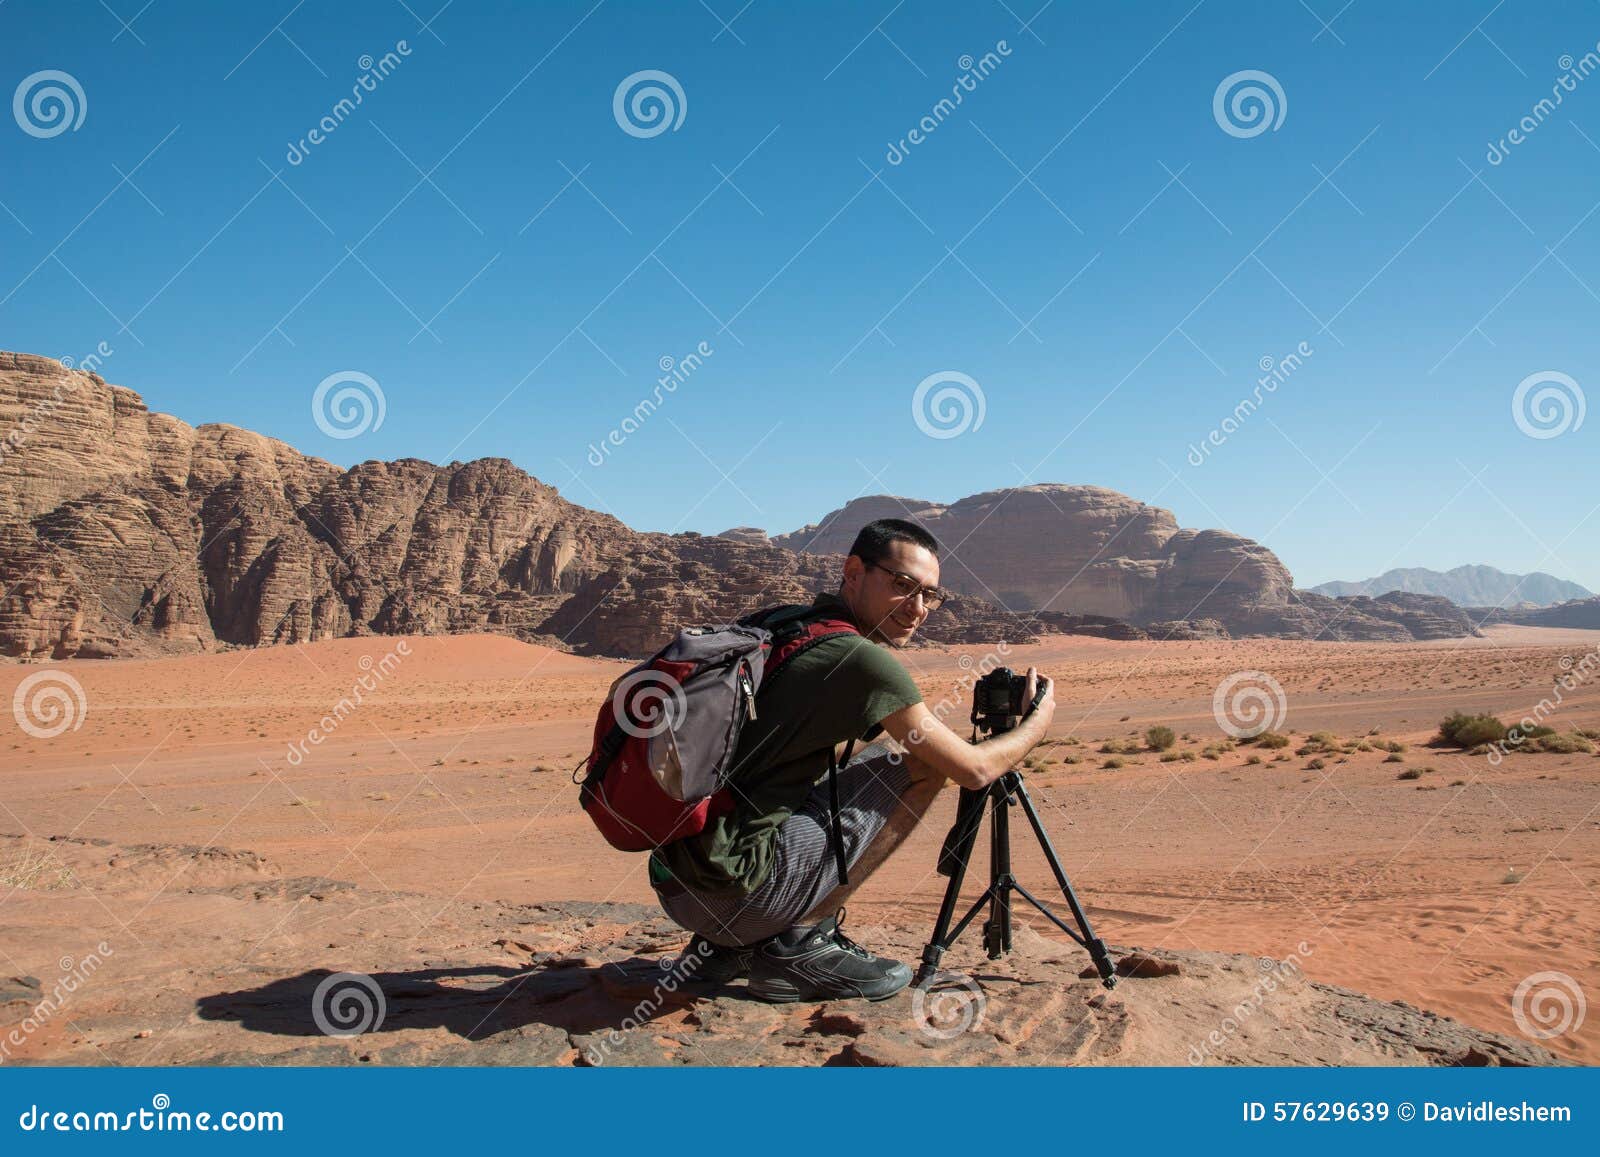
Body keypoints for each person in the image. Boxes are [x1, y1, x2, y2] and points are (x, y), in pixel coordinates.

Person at [649, 517, 1057, 1002]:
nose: (919, 608)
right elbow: (974, 770)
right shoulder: (864, 661)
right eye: (903, 586)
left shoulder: (779, 624)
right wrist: (1037, 722)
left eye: (931, 595)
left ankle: (727, 949)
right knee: (924, 765)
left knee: (891, 752)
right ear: (854, 571)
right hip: (736, 897)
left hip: (677, 887)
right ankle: (801, 941)